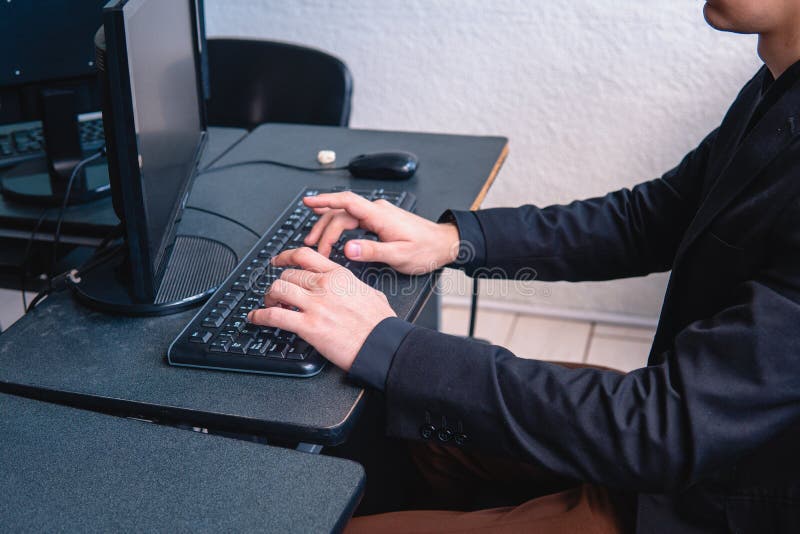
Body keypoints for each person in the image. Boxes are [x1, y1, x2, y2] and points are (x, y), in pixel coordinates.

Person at [248, 1, 800, 532]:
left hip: (710, 500)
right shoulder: (776, 84)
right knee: (412, 428)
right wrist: (451, 240)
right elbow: (650, 220)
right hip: (685, 437)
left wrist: (382, 341)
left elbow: (662, 428)